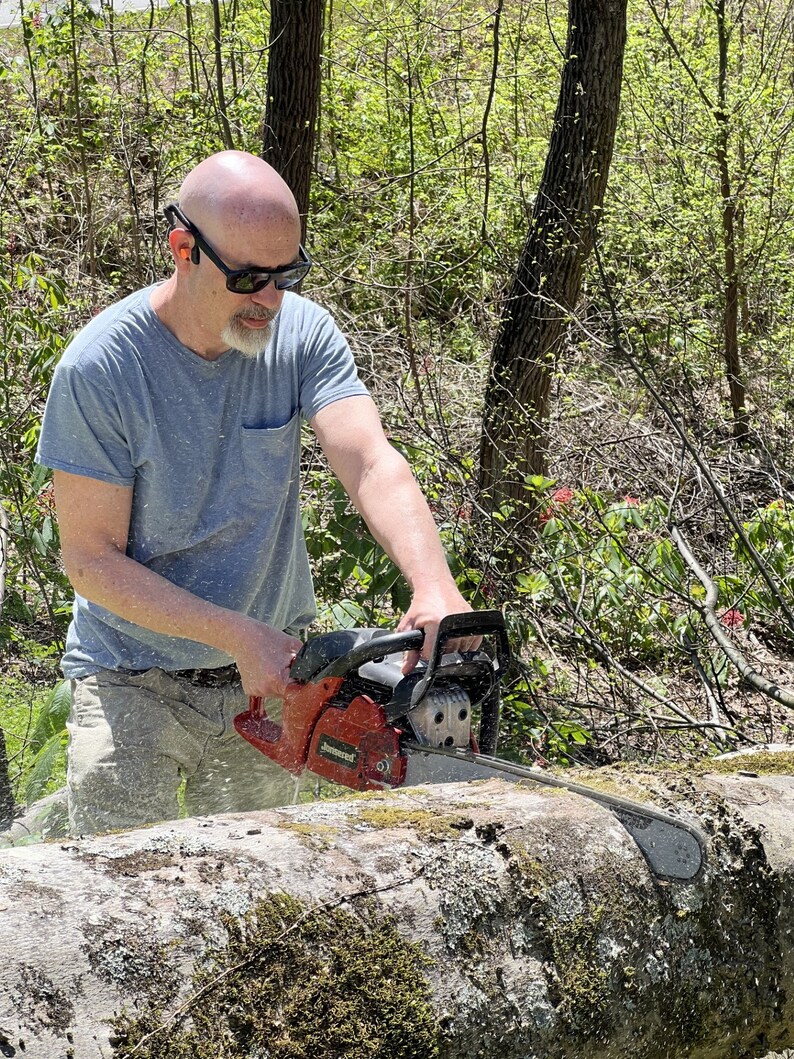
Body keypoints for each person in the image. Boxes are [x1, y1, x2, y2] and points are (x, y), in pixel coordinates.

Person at [35, 149, 475, 836]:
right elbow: (90, 560)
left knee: (260, 900)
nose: (270, 298)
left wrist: (432, 583)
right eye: (247, 277)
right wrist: (237, 634)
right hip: (131, 676)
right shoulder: (102, 368)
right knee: (120, 887)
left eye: (286, 273)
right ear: (183, 249)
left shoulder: (302, 334)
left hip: (267, 681)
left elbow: (368, 460)